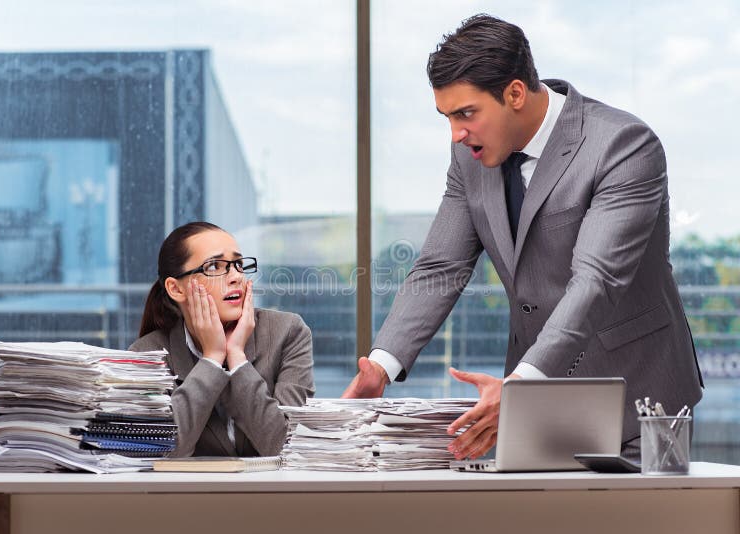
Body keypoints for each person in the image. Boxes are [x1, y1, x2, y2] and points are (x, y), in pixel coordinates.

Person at [343, 14, 703, 461]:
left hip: (636, 398)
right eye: (447, 117)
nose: (456, 134)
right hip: (529, 400)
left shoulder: (622, 145)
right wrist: (381, 364)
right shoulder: (469, 157)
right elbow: (441, 265)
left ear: (515, 93)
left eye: (465, 114)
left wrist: (521, 388)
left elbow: (596, 280)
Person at [130, 221, 315, 457]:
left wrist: (236, 357)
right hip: (191, 494)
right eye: (215, 266)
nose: (236, 276)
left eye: (238, 264)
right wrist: (212, 359)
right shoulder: (147, 355)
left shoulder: (288, 332)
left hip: (271, 492)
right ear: (176, 289)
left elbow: (287, 447)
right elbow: (164, 451)